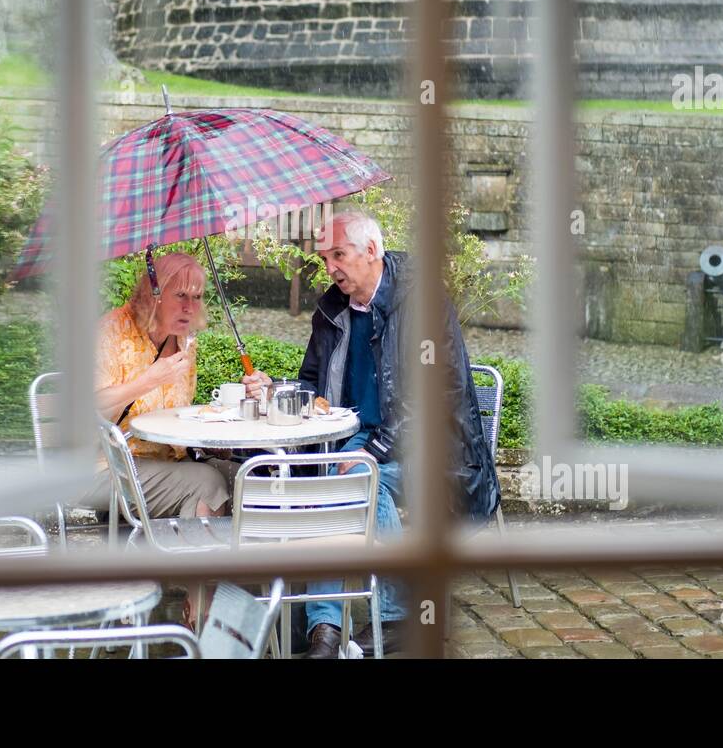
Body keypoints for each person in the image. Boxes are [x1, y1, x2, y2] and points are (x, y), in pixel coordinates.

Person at [243, 211, 499, 657]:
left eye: (338, 255)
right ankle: (325, 629)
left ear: (372, 251)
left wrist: (377, 447)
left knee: (359, 478)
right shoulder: (331, 310)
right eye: (325, 259)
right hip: (357, 441)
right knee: (330, 477)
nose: (330, 268)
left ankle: (395, 615)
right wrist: (275, 390)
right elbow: (312, 384)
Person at [81, 251, 239, 521]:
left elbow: (173, 417)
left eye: (197, 297)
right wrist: (149, 380)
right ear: (154, 295)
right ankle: (189, 560)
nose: (190, 307)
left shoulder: (184, 344)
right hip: (104, 466)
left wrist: (211, 441)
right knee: (207, 483)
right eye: (180, 295)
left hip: (166, 463)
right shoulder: (111, 332)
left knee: (245, 478)